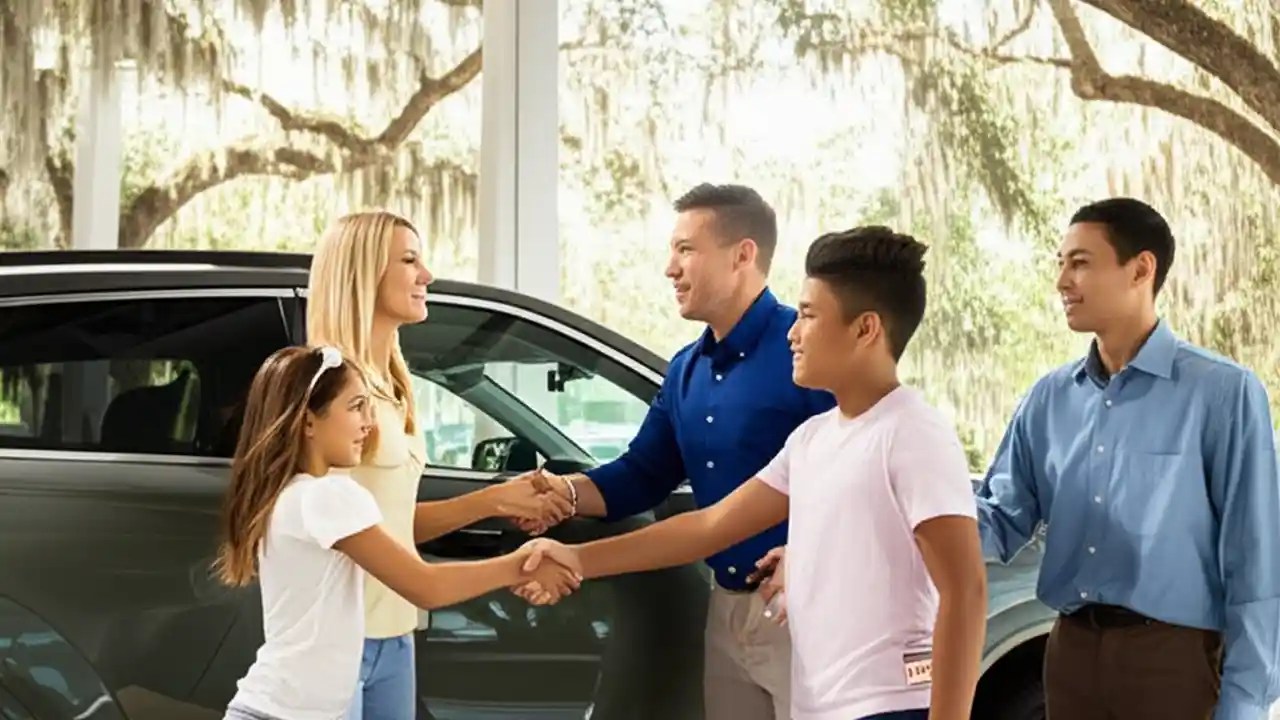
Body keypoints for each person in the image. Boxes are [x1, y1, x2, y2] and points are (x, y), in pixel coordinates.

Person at [522, 226, 989, 720]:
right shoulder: (811, 440)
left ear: (865, 328)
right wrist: (574, 556)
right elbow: (706, 528)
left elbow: (965, 589)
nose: (792, 332)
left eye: (808, 316)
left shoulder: (913, 432)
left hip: (890, 707)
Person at [517, 183, 835, 719]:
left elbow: (852, 479)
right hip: (726, 607)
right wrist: (561, 493)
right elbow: (642, 475)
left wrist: (811, 556)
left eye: (686, 249)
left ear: (743, 255)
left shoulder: (805, 351)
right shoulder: (685, 369)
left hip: (804, 607)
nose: (670, 267)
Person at [975, 198, 1280, 720]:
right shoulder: (1049, 399)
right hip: (1068, 656)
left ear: (1141, 269)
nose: (1062, 281)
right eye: (1061, 263)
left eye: (1081, 263)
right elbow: (998, 520)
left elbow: (1255, 558)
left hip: (1173, 662)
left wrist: (1246, 702)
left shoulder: (1222, 394)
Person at [215, 345, 581, 720]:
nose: (368, 423)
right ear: (309, 422)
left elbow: (400, 533)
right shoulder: (327, 496)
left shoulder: (290, 495)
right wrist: (522, 564)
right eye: (356, 406)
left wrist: (494, 504)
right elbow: (426, 586)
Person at [307, 210, 573, 720]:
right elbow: (337, 528)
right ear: (364, 275)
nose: (426, 275)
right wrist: (522, 562)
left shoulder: (394, 386)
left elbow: (383, 526)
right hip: (341, 641)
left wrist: (495, 498)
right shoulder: (327, 387)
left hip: (394, 635)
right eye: (409, 260)